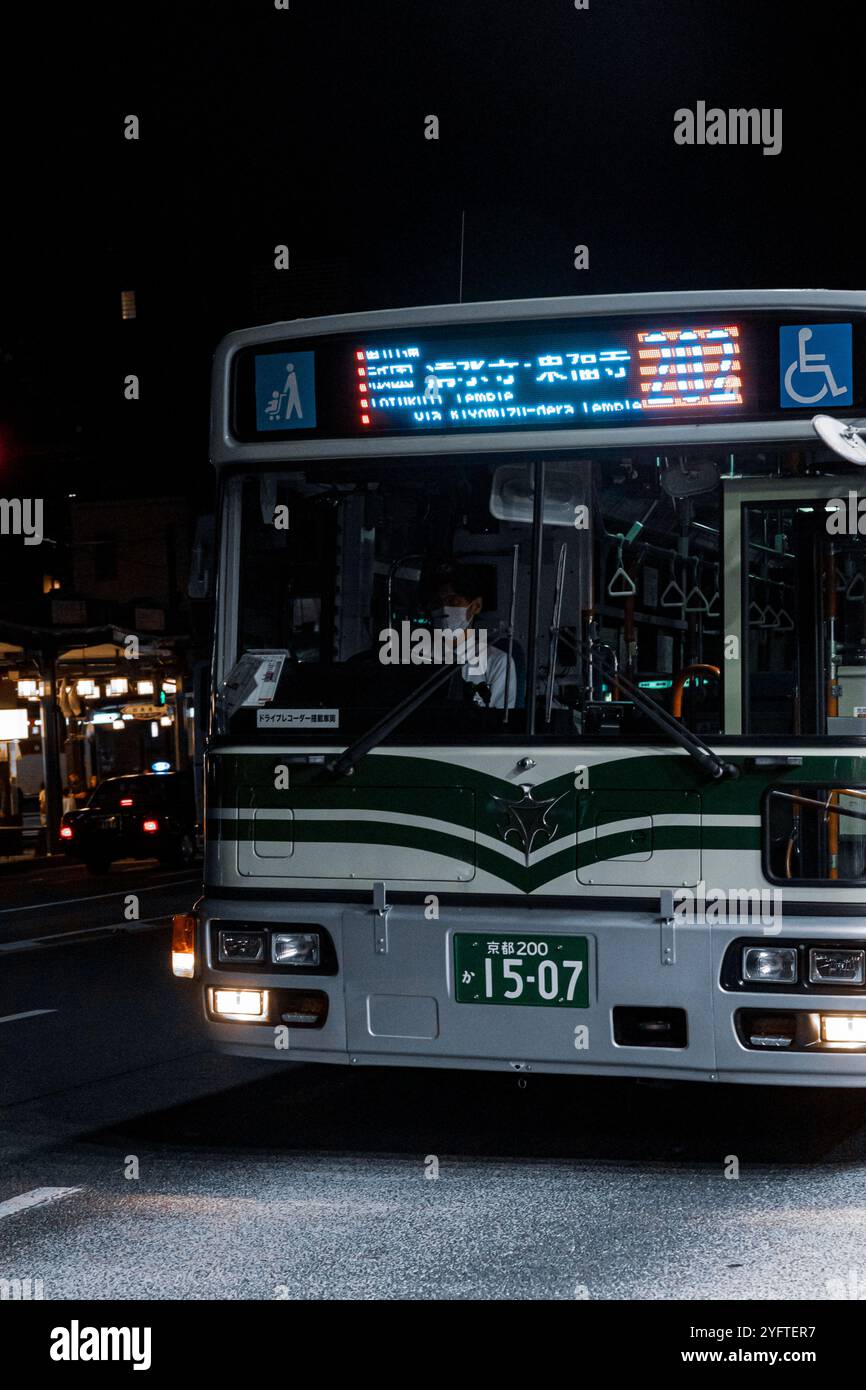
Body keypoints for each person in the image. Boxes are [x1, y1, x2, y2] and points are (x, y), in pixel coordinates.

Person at [427, 562, 517, 710]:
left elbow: (499, 724)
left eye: (453, 601)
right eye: (436, 603)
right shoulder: (417, 657)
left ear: (475, 606)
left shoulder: (497, 662)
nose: (443, 609)